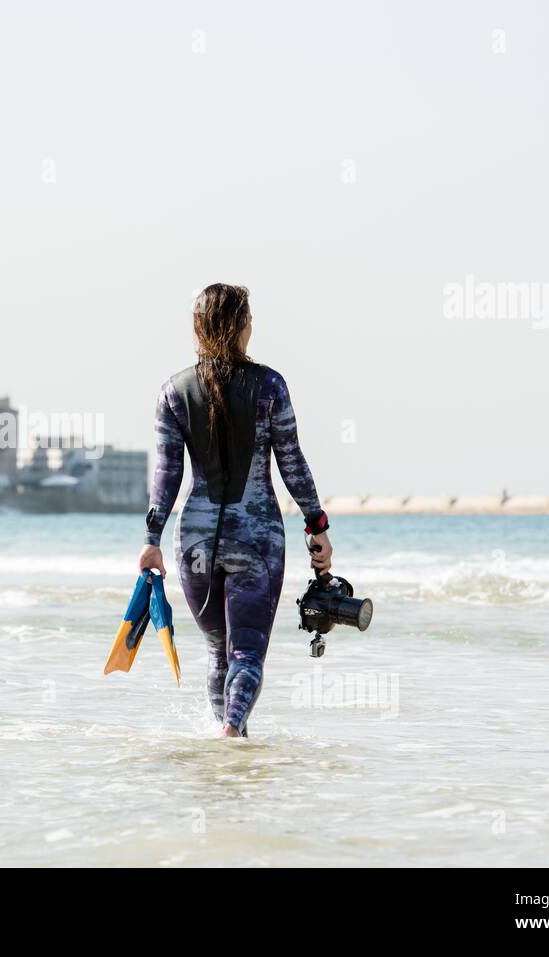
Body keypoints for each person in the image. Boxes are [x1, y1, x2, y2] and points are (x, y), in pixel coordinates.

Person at [137, 283, 333, 738]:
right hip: (257, 537)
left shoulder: (173, 391)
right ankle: (231, 731)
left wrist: (151, 542)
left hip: (196, 541)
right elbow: (292, 462)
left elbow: (166, 474)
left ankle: (228, 739)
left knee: (217, 652)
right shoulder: (269, 386)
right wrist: (317, 525)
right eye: (249, 318)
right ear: (241, 325)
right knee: (246, 653)